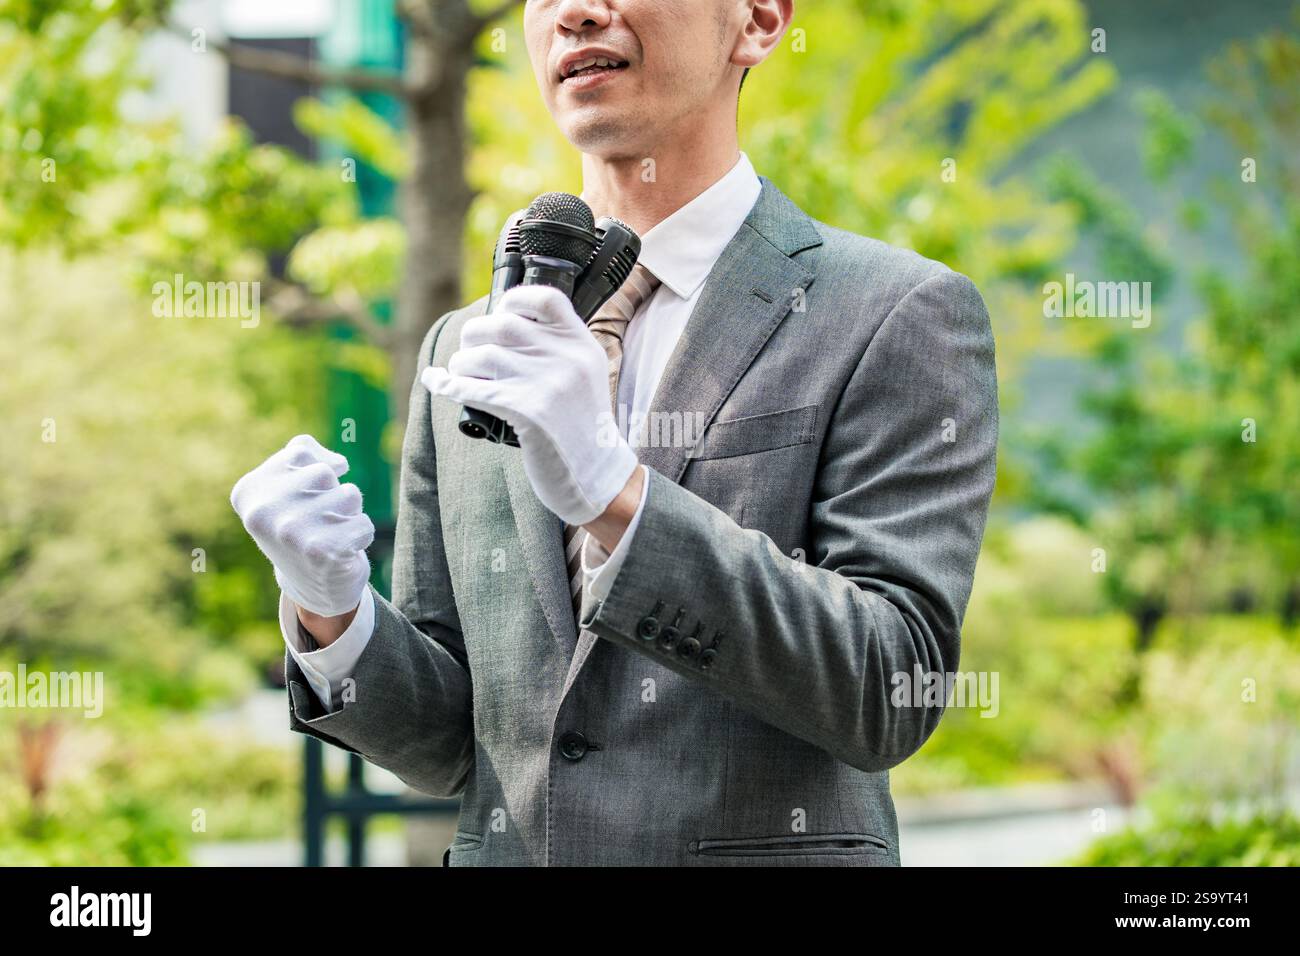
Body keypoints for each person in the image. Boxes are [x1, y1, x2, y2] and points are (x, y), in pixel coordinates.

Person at [230, 0, 998, 866]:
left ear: (757, 21)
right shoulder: (469, 346)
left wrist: (615, 496)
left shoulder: (894, 311)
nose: (575, 13)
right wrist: (333, 616)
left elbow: (889, 688)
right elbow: (452, 744)